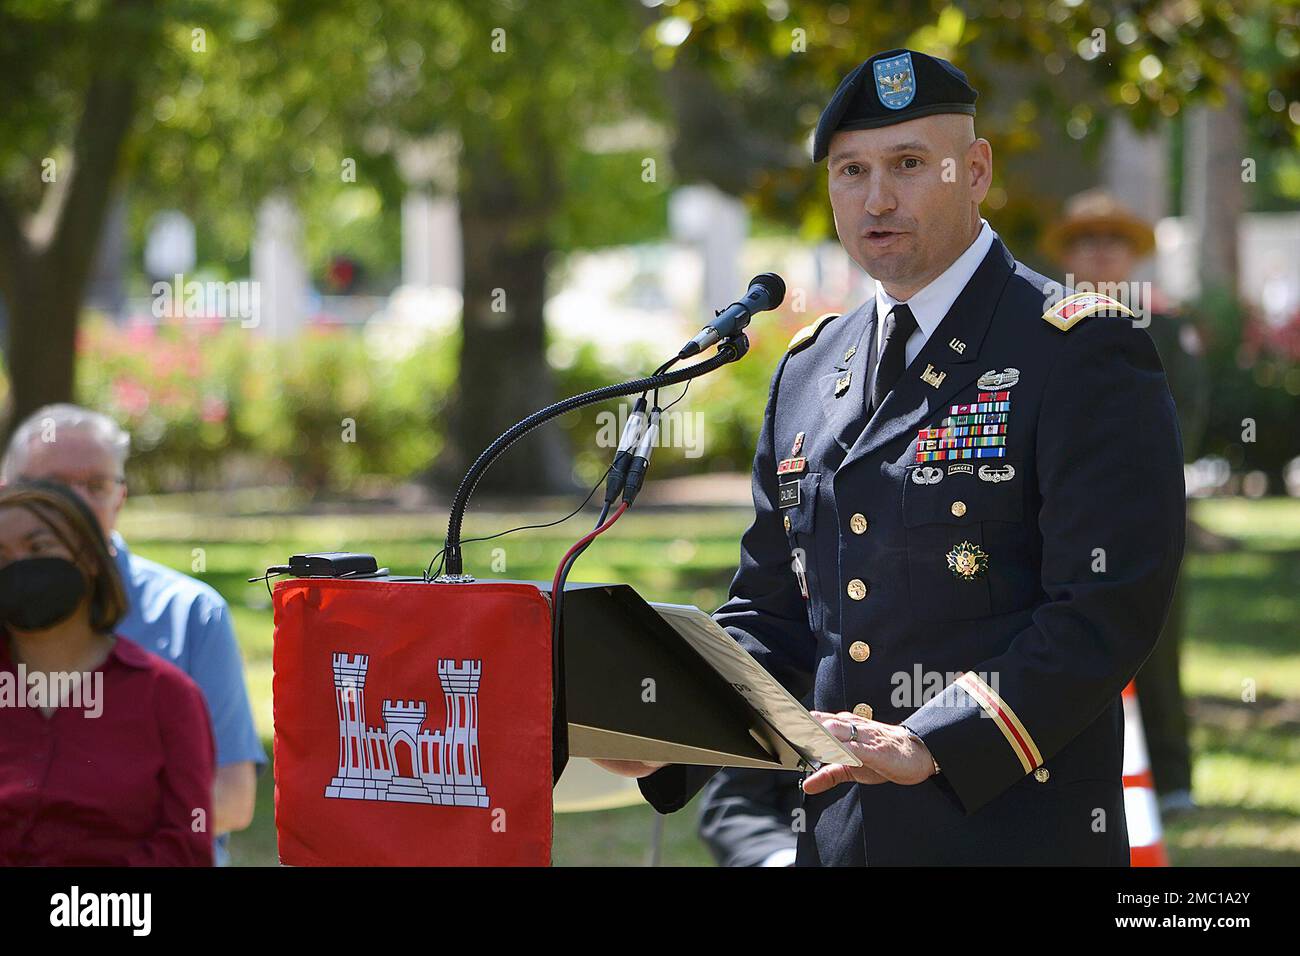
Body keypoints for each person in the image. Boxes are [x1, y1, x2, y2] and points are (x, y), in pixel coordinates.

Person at [597, 48, 1186, 865]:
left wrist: (935, 740)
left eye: (910, 164)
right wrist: (676, 732)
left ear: (975, 170)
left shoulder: (1078, 349)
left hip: (1013, 834)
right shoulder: (808, 369)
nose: (877, 199)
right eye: (851, 171)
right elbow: (775, 615)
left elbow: (1104, 609)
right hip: (841, 840)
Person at [1, 405, 265, 864]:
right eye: (54, 487)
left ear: (120, 495)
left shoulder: (190, 617)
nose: (78, 504)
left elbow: (231, 799)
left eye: (96, 486)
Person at [1044, 189, 1209, 814]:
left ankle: (1172, 779)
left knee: (1157, 638)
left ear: (1131, 255)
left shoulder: (1163, 326)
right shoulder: (1046, 324)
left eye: (1113, 240)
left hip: (1149, 512)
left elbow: (1187, 414)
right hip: (1061, 515)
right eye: (1087, 240)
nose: (1101, 251)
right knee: (1067, 642)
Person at [0, 480, 214, 865]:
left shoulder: (167, 695)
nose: (18, 567)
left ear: (93, 559)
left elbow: (187, 847)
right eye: (0, 557)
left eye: (39, 547)